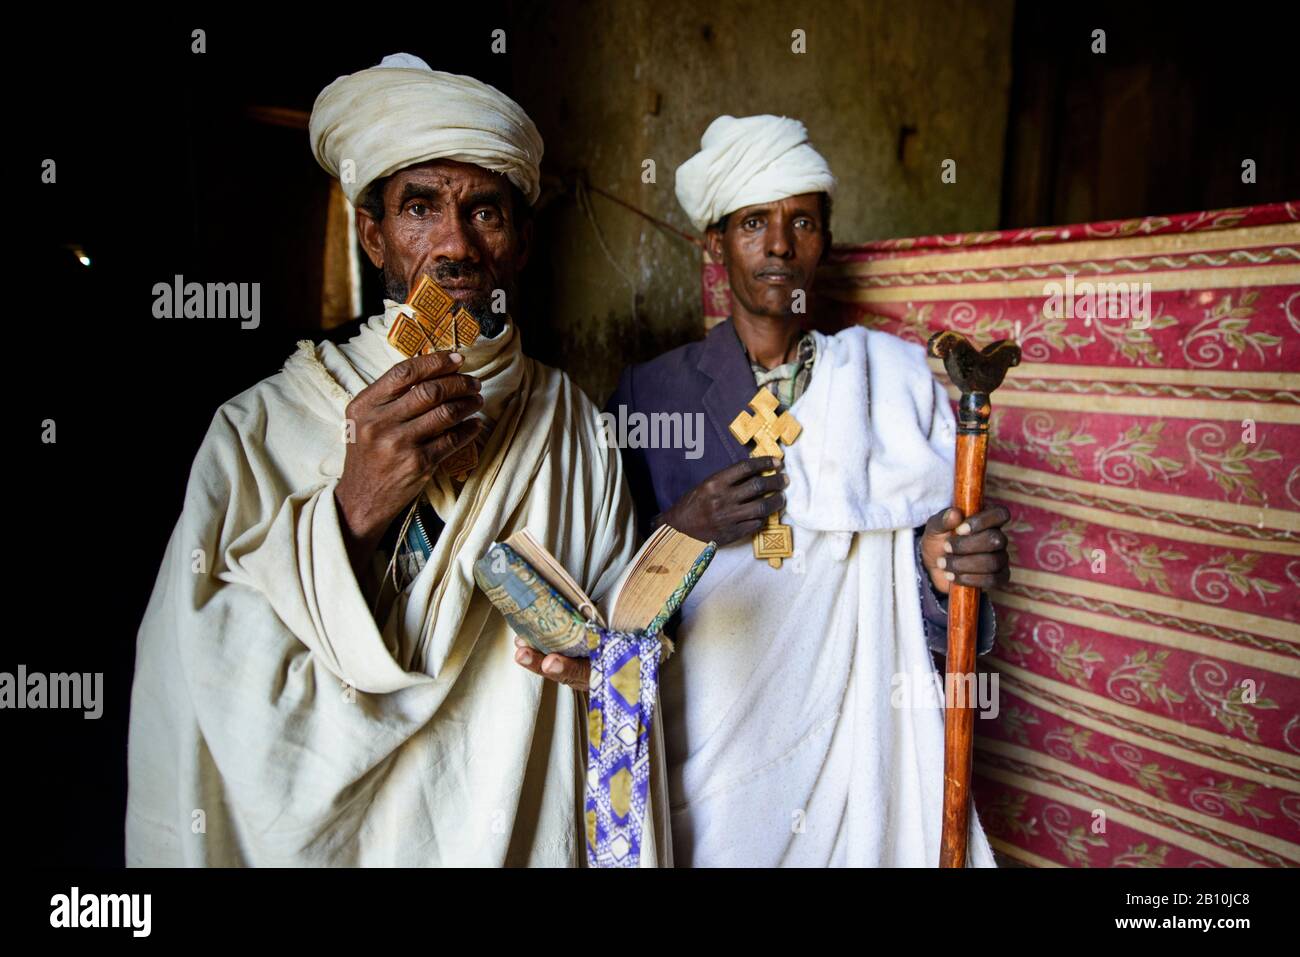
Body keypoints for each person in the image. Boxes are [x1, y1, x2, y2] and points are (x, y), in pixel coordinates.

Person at [126, 54, 666, 866]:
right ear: (374, 237)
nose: (454, 245)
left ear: (518, 244)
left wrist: (607, 664)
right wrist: (350, 511)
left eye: (486, 212)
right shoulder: (256, 428)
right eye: (420, 208)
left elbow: (622, 652)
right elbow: (196, 674)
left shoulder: (572, 427)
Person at [604, 114, 1010, 866]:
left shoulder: (882, 383)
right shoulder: (649, 393)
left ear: (825, 240)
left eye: (802, 222)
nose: (779, 245)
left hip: (849, 742)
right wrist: (684, 528)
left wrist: (936, 564)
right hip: (710, 742)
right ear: (714, 243)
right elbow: (605, 598)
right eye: (754, 222)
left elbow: (911, 588)